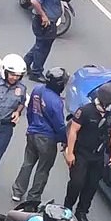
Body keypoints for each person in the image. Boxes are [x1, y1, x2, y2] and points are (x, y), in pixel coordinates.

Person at [63, 82, 111, 221]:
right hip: (81, 153)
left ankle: (82, 212)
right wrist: (70, 152)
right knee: (77, 182)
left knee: (92, 185)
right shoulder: (85, 111)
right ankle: (66, 209)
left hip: (98, 156)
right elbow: (73, 131)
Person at [11, 67, 69, 203]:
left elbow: (30, 109)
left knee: (27, 163)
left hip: (33, 133)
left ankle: (18, 191)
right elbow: (59, 125)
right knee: (43, 169)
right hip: (47, 139)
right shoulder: (56, 102)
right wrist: (64, 140)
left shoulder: (38, 89)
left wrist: (32, 126)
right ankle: (34, 197)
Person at [0, 54, 29, 207]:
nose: (14, 78)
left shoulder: (21, 89)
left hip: (4, 128)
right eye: (12, 74)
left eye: (18, 75)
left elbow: (21, 103)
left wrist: (18, 112)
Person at [23, 0, 73, 81]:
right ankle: (36, 72)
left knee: (40, 44)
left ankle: (26, 62)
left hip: (51, 21)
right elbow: (34, 1)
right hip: (44, 23)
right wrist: (44, 16)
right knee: (43, 47)